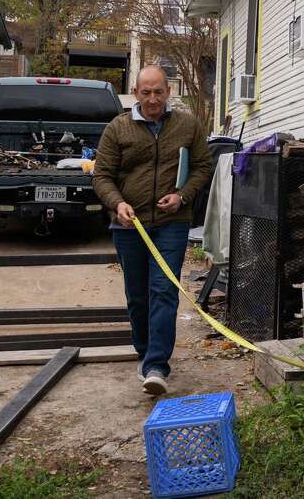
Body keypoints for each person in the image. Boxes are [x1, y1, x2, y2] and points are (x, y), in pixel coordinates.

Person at [93, 65, 213, 396]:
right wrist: (117, 204)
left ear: (168, 91)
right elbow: (101, 176)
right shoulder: (117, 128)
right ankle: (144, 350)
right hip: (129, 225)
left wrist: (183, 195)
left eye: (158, 91)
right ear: (136, 92)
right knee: (137, 294)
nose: (152, 99)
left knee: (164, 290)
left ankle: (157, 365)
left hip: (171, 224)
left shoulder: (187, 125)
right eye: (146, 92)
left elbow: (203, 166)